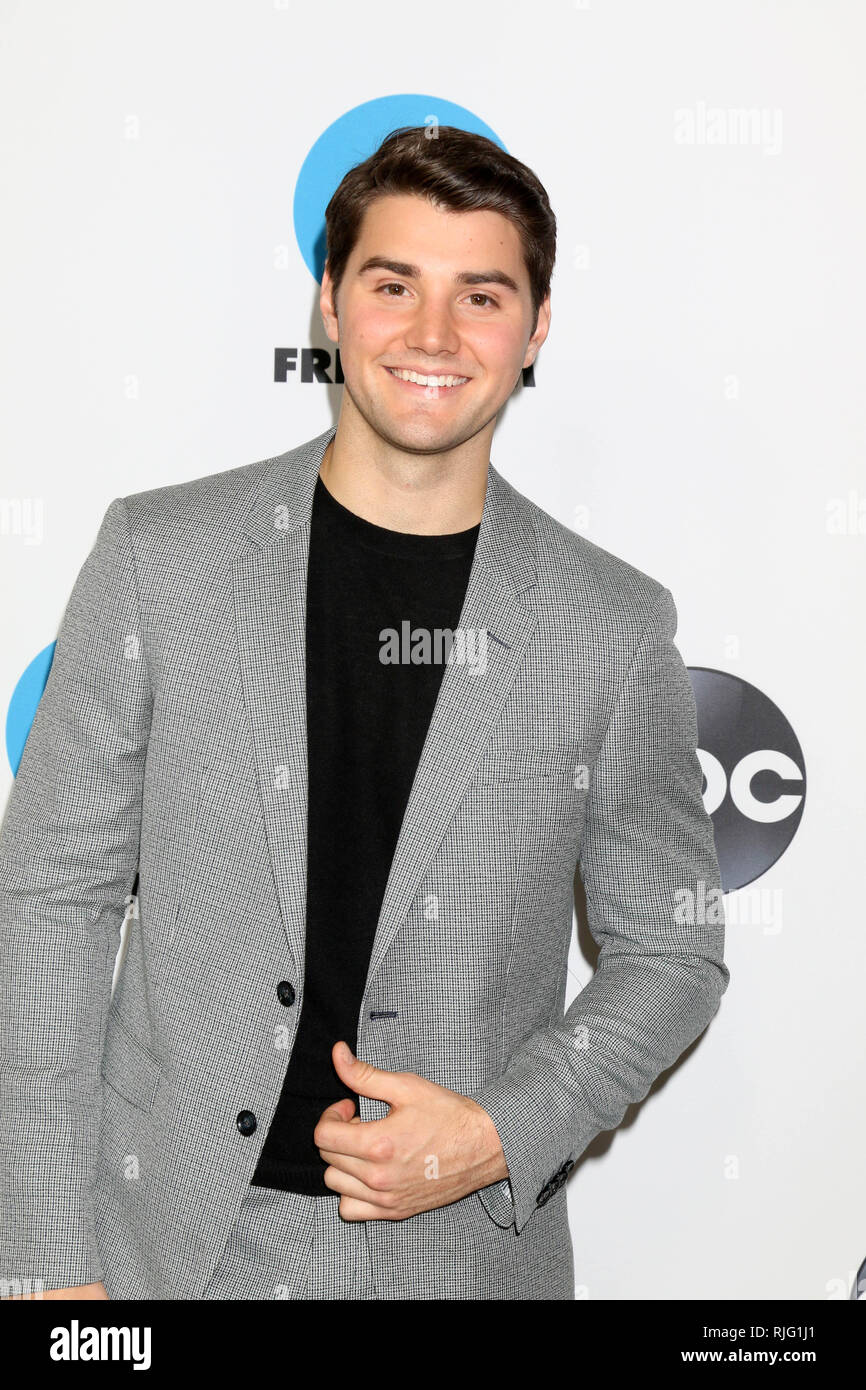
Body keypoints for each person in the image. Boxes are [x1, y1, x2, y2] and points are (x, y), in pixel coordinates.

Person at [0, 125, 728, 1301]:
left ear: (535, 327)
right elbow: (48, 905)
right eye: (393, 285)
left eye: (479, 295)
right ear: (329, 301)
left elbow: (672, 949)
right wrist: (43, 1268)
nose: (432, 337)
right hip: (155, 1259)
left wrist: (497, 1130)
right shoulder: (158, 558)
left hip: (456, 1262)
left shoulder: (610, 623)